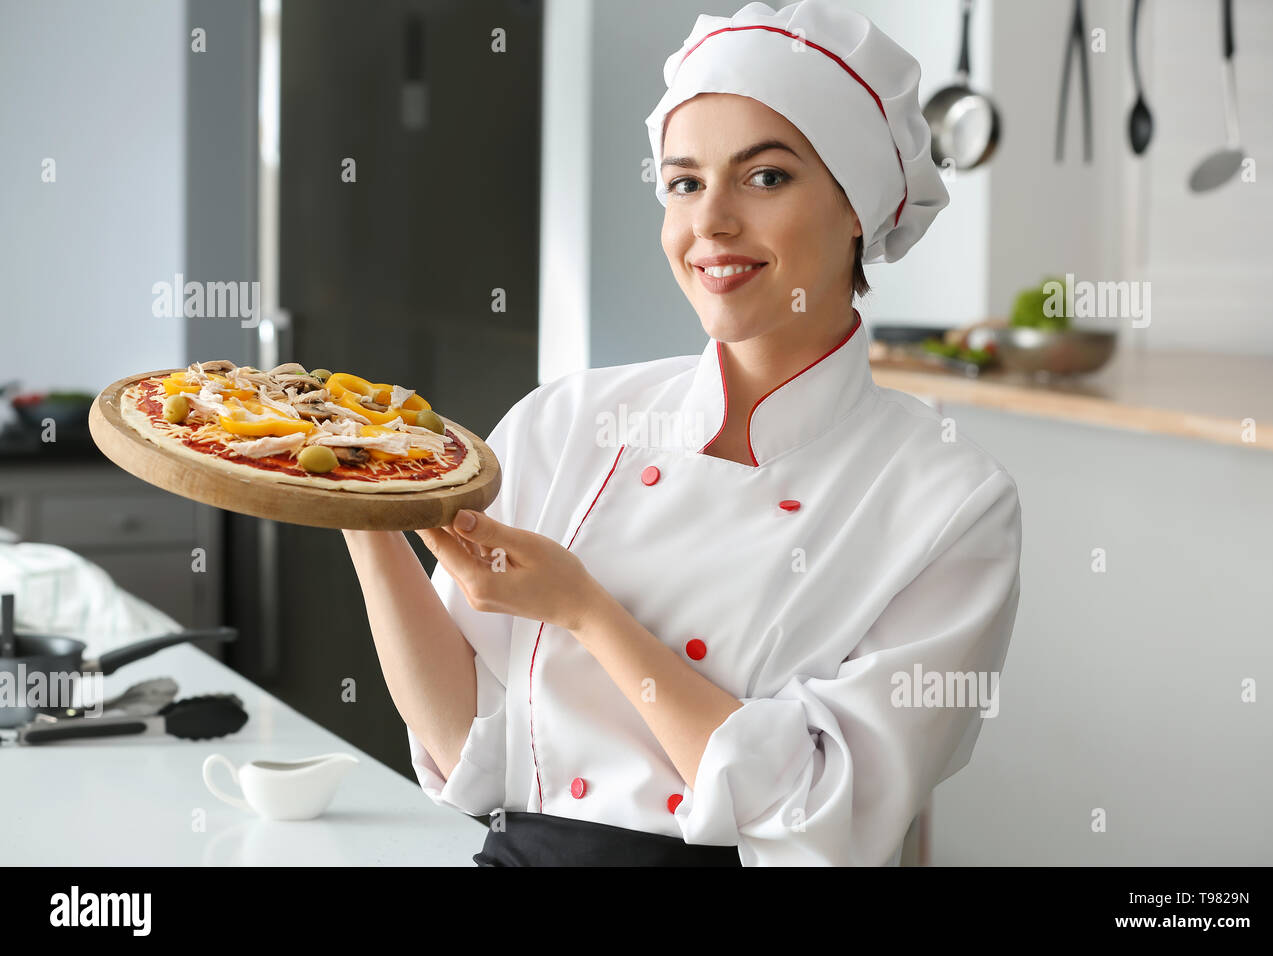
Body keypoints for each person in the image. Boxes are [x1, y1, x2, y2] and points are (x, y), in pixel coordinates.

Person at [343, 0, 1021, 866]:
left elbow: (823, 822)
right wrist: (356, 506)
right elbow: (465, 743)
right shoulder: (568, 420)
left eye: (766, 177)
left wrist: (585, 610)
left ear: (859, 205)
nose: (711, 223)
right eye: (684, 182)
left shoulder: (949, 498)